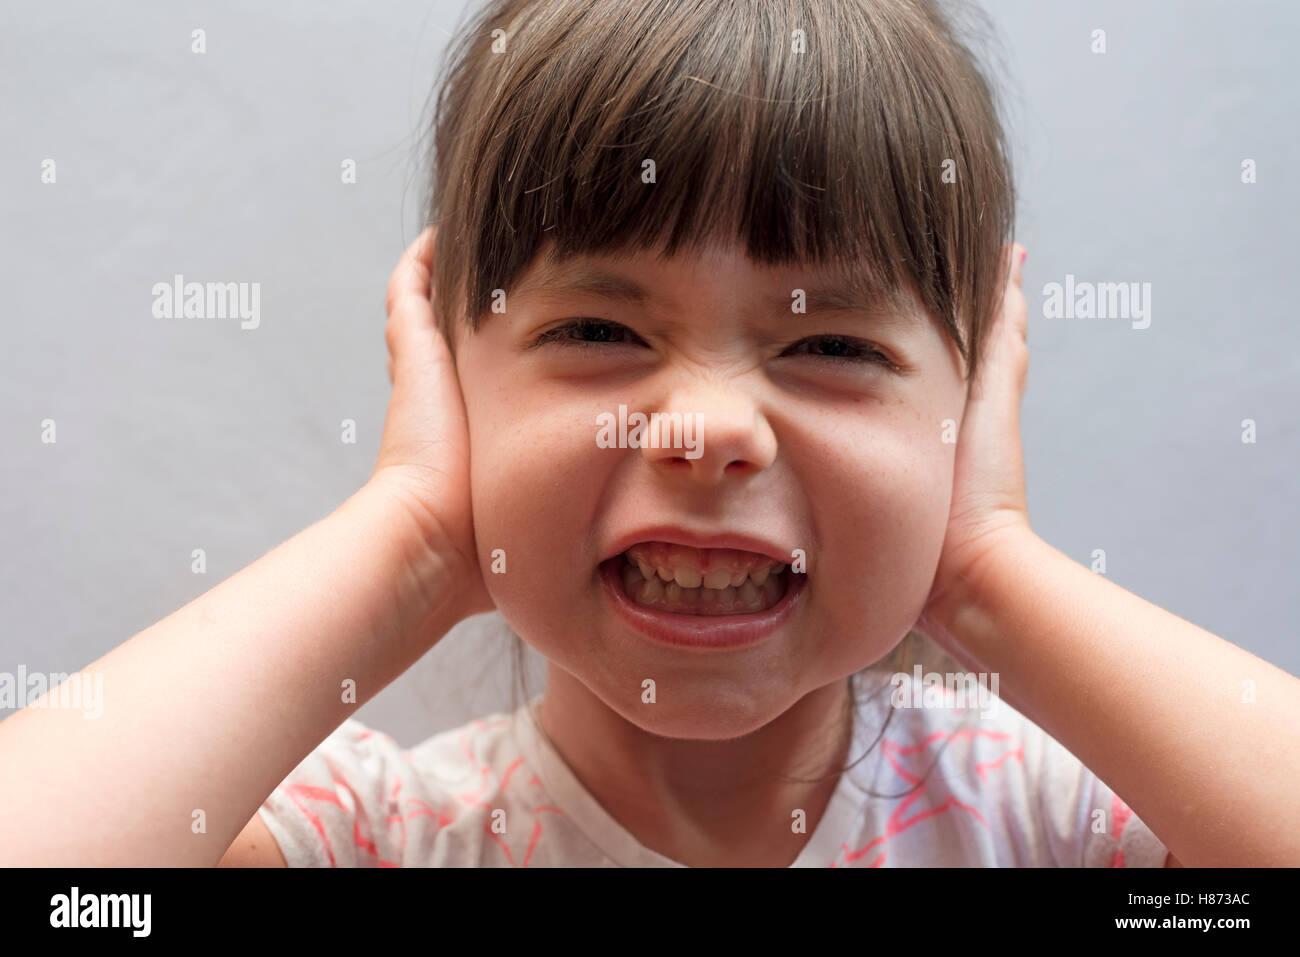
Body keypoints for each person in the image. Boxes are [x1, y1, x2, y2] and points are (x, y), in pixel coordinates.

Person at [3, 0, 1297, 867]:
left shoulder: (1058, 821)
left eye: (834, 346)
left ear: (967, 413)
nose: (707, 427)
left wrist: (986, 572)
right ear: (451, 380)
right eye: (598, 333)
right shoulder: (377, 836)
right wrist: (408, 539)